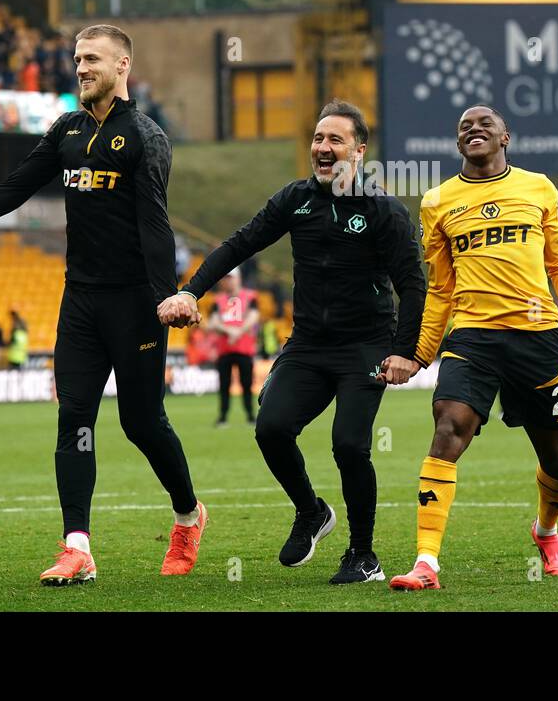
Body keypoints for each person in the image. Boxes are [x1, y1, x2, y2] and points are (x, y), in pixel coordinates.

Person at [0, 24, 206, 584]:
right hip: (81, 301)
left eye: (92, 58)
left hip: (136, 303)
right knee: (74, 418)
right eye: (76, 58)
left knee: (143, 423)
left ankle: (188, 515)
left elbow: (155, 225)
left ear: (123, 66)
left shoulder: (145, 136)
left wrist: (168, 296)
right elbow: (15, 187)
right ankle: (77, 547)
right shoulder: (66, 130)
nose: (81, 67)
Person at [159, 100, 425, 585]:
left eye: (335, 140)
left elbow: (414, 285)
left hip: (366, 346)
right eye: (318, 139)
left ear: (359, 151)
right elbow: (239, 244)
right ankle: (311, 511)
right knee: (271, 428)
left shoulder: (384, 210)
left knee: (349, 445)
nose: (323, 148)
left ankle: (363, 555)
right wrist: (190, 290)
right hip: (308, 345)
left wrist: (406, 352)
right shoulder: (295, 199)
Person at [385, 104, 558, 591]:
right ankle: (426, 562)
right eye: (464, 126)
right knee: (448, 427)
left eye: (485, 123)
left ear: (506, 136)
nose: (474, 129)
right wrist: (421, 354)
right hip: (473, 338)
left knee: (556, 460)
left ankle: (546, 532)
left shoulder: (539, 188)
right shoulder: (438, 202)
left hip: (538, 339)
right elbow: (441, 288)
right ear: (458, 142)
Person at [208, 269, 260, 427]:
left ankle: (251, 416)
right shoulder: (218, 300)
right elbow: (212, 323)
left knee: (247, 385)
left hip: (244, 349)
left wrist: (238, 331)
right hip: (224, 350)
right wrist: (231, 331)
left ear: (238, 278)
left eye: (231, 278)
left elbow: (254, 317)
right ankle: (223, 416)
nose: (228, 281)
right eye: (226, 278)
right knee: (224, 386)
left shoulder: (250, 297)